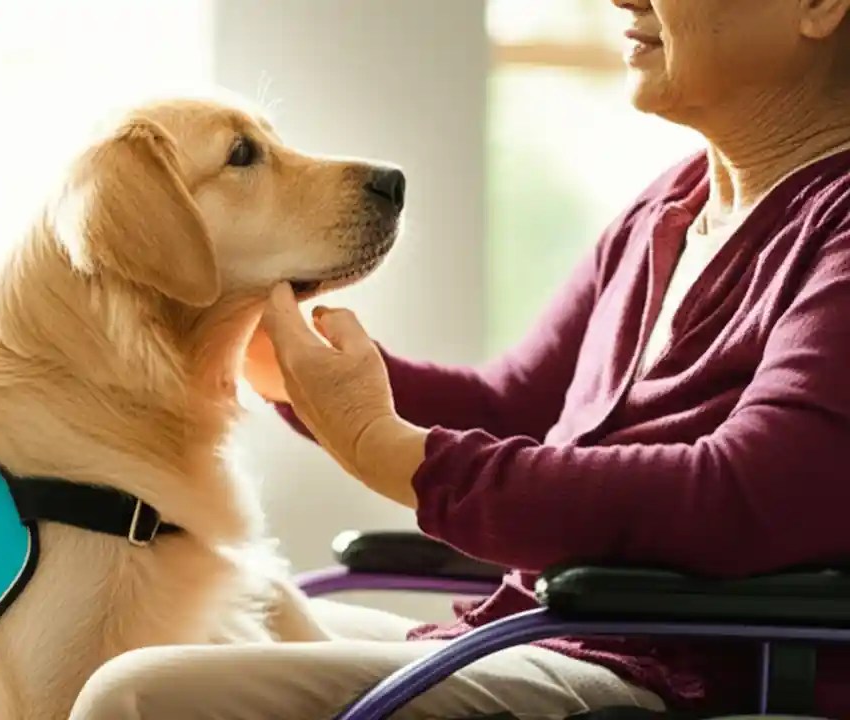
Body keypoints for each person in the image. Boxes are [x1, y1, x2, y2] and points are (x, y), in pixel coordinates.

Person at [69, 0, 850, 716]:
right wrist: (295, 370)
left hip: (661, 677)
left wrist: (388, 448)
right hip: (534, 632)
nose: (623, 0)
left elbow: (742, 496)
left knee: (133, 695)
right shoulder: (672, 206)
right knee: (165, 634)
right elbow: (516, 411)